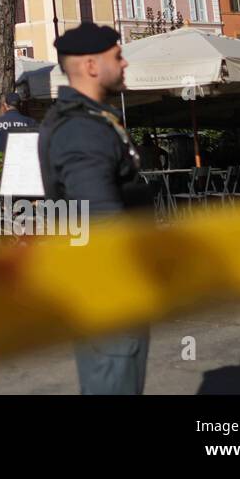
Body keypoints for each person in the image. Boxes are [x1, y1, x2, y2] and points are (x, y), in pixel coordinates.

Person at [38, 22, 152, 395]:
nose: (125, 64)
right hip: (111, 290)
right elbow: (102, 221)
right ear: (90, 66)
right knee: (113, 382)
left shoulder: (85, 118)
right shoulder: (82, 130)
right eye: (117, 56)